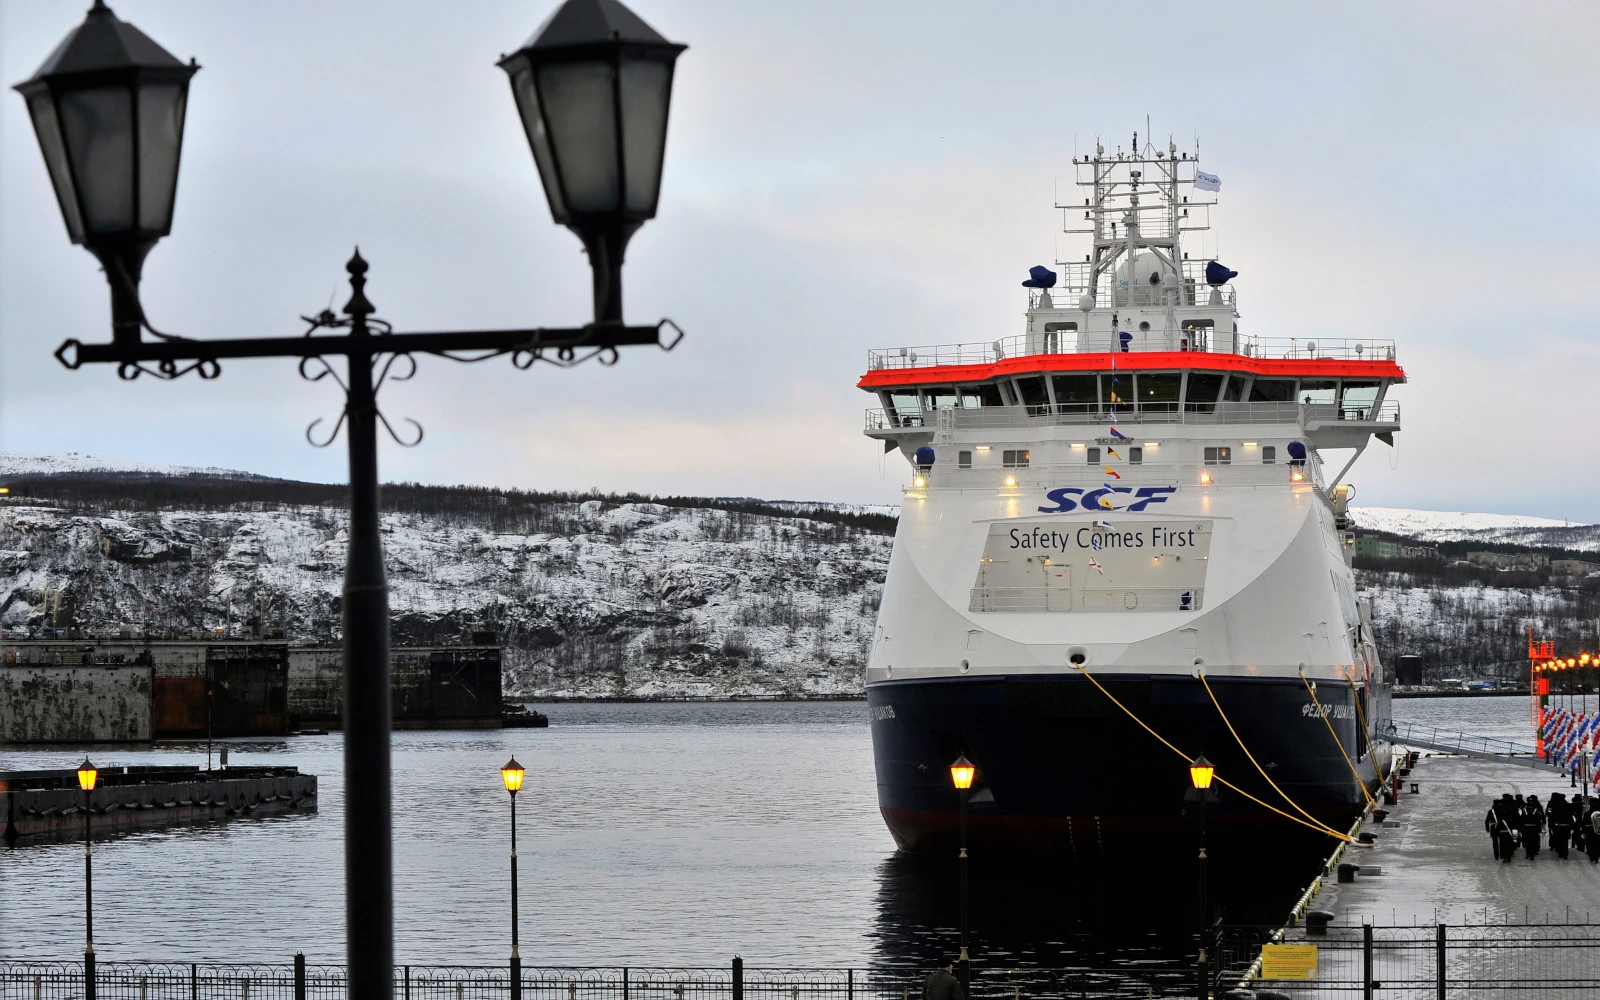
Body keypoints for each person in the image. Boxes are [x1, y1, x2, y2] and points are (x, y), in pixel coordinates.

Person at [1492, 794, 1520, 864]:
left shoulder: (1500, 806)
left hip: (1503, 825)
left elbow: (1497, 815)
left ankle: (1505, 856)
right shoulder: (1514, 805)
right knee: (1513, 840)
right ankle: (1511, 852)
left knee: (1503, 843)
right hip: (1513, 825)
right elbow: (1517, 815)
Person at [1549, 792, 1573, 860]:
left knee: (1559, 840)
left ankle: (1560, 853)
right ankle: (1565, 854)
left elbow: (1552, 816)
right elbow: (1571, 815)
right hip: (1566, 826)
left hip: (1558, 826)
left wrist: (1552, 825)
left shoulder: (1555, 806)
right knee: (1565, 841)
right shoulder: (1568, 805)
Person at [1522, 794, 1546, 860]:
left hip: (1527, 827)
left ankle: (1529, 852)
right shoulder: (1538, 806)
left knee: (1529, 840)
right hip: (1534, 827)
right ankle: (1533, 852)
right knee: (1534, 840)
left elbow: (1522, 818)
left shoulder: (1526, 807)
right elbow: (1541, 816)